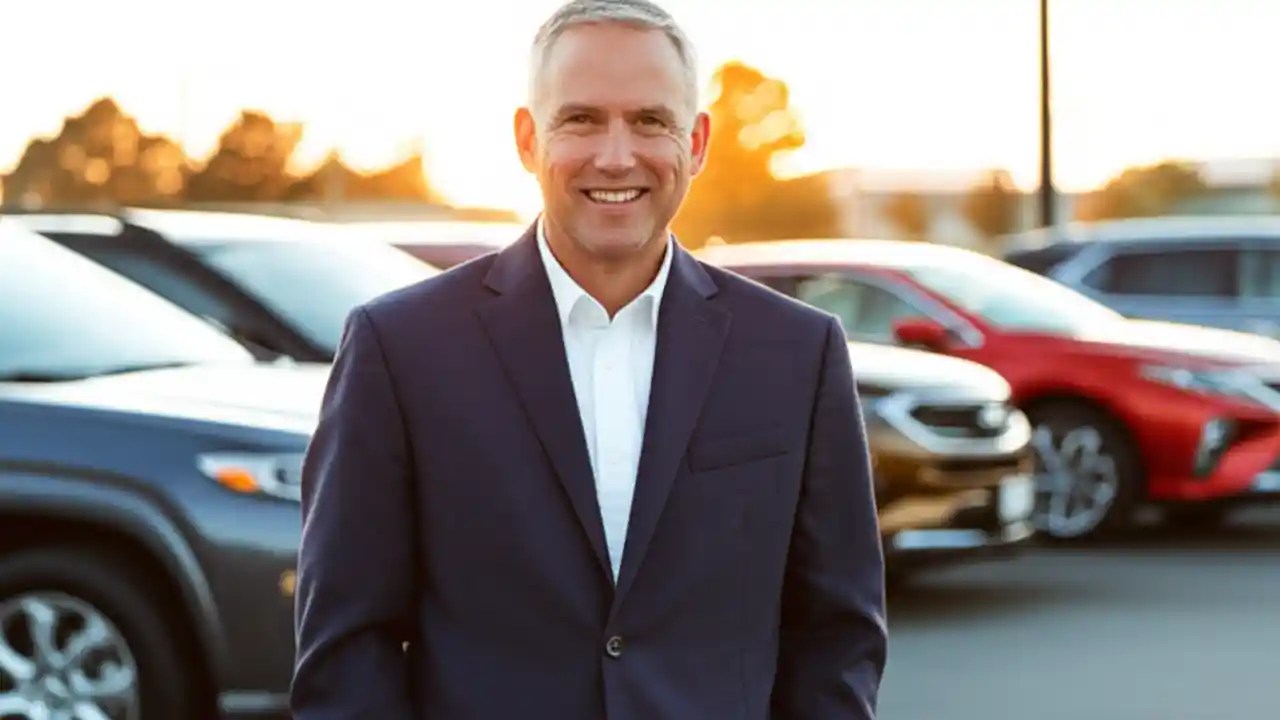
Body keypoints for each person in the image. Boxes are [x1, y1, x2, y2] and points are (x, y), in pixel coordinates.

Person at [290, 0, 888, 717]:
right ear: (527, 138)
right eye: (580, 119)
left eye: (650, 121)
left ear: (697, 142)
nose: (615, 156)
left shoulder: (797, 352)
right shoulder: (400, 348)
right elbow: (348, 646)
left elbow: (837, 634)